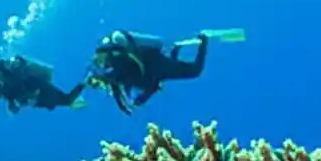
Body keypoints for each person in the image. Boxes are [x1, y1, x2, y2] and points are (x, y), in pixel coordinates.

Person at [86, 27, 245, 115]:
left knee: (194, 71)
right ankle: (177, 50)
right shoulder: (116, 77)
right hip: (156, 70)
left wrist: (132, 102)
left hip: (154, 65)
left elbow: (118, 79)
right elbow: (119, 85)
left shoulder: (114, 71)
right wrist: (126, 105)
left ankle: (203, 41)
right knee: (191, 71)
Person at [0, 55, 87, 122]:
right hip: (35, 97)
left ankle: (86, 81)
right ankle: (84, 84)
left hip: (39, 89)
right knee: (66, 101)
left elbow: (20, 83)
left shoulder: (14, 72)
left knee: (67, 100)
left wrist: (28, 96)